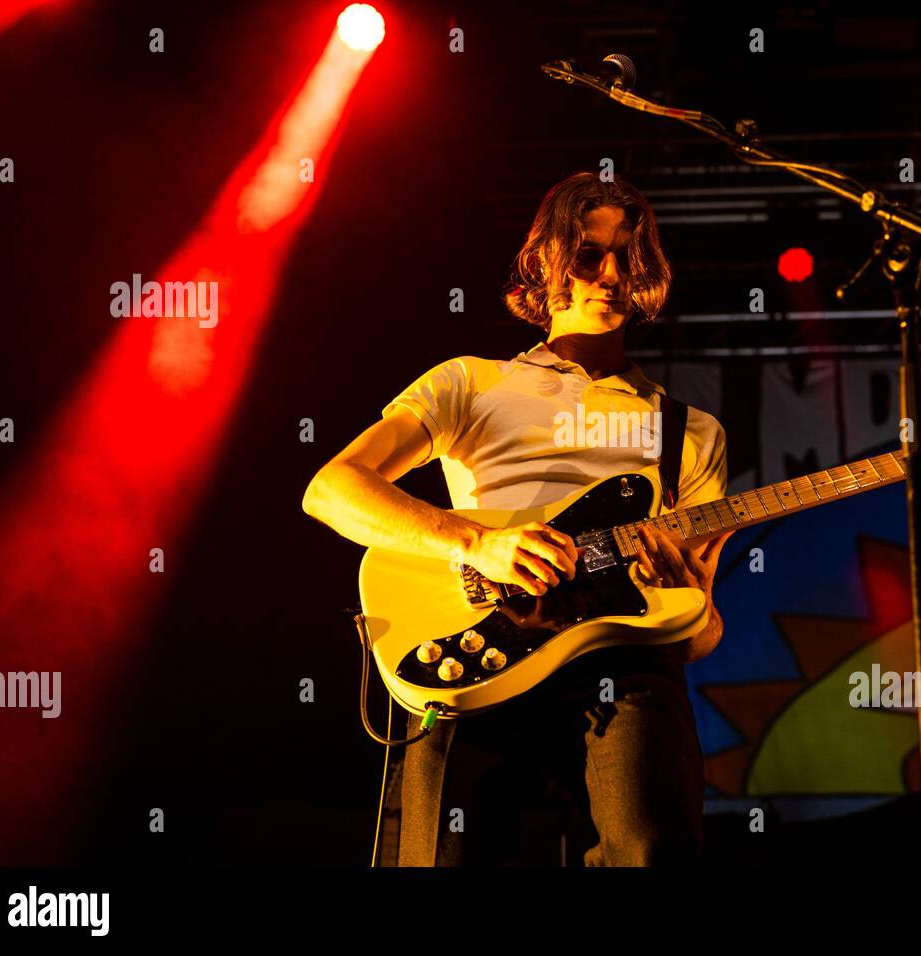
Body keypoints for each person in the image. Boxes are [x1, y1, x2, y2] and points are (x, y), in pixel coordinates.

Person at [302, 171, 732, 865]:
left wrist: (694, 605)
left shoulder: (692, 433)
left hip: (622, 661)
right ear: (546, 261)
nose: (613, 273)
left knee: (654, 850)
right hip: (479, 649)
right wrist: (477, 543)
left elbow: (700, 633)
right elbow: (331, 488)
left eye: (630, 255)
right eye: (591, 254)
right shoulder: (470, 381)